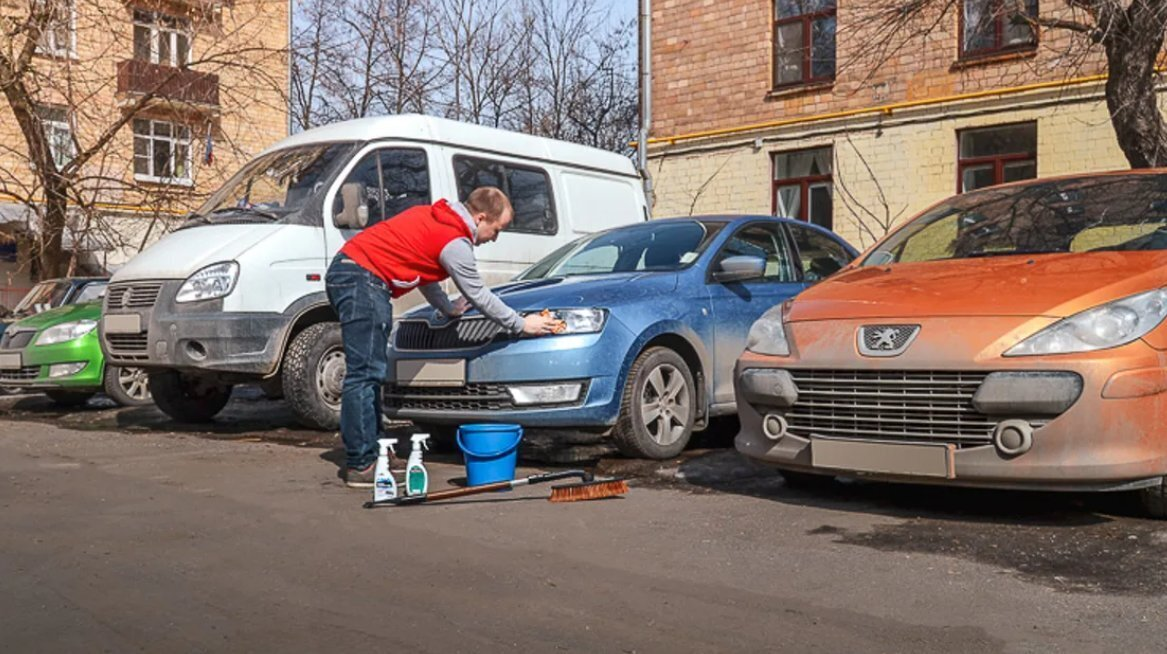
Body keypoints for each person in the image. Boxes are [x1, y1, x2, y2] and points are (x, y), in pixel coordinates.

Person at [325, 186, 561, 488]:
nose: (494, 238)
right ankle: (362, 463)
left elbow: (424, 273)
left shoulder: (437, 219)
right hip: (361, 278)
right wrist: (520, 325)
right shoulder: (455, 241)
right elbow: (477, 294)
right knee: (365, 373)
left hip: (352, 273)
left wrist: (446, 308)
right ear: (480, 217)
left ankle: (376, 451)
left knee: (372, 372)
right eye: (496, 229)